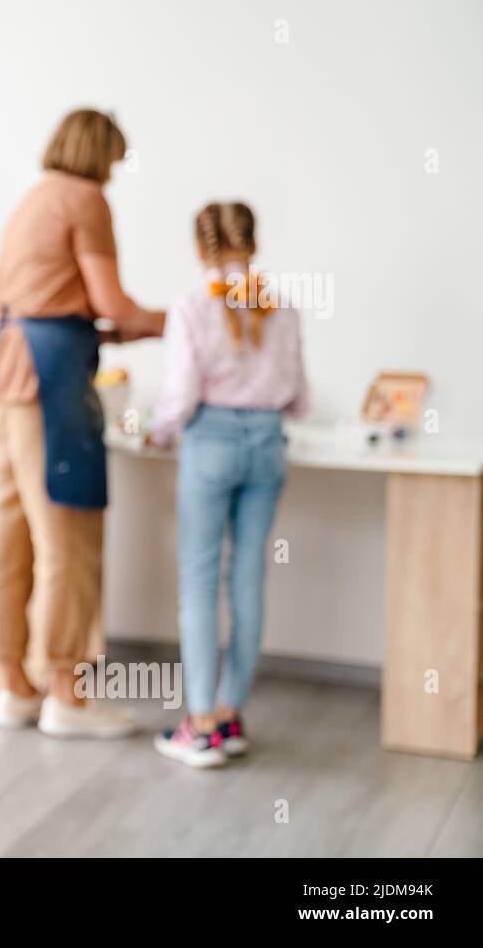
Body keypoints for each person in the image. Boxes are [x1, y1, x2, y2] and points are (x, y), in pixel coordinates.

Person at [0, 108, 164, 737]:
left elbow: (52, 302)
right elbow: (113, 305)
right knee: (69, 537)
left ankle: (12, 687)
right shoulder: (85, 199)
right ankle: (68, 694)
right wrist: (178, 320)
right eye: (114, 158)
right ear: (101, 154)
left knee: (5, 536)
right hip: (49, 378)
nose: (113, 173)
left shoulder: (32, 200)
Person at [149, 202, 308, 768]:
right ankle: (231, 713)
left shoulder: (191, 308)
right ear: (254, 245)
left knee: (198, 580)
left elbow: (180, 394)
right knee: (248, 577)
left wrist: (161, 433)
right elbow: (298, 398)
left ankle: (200, 724)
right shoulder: (282, 305)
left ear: (200, 250)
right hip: (268, 446)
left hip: (210, 442)